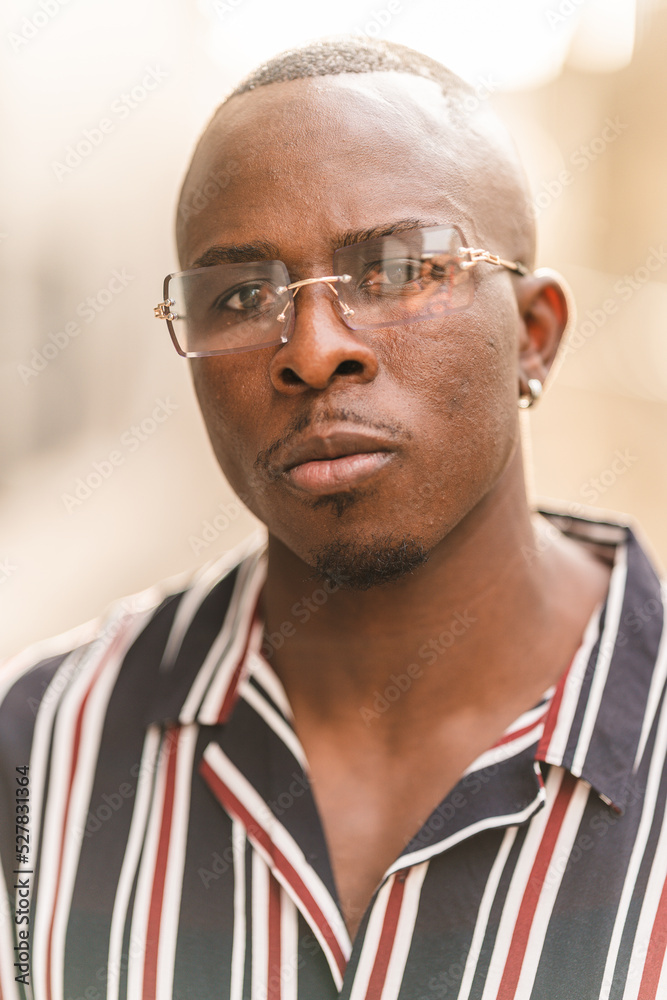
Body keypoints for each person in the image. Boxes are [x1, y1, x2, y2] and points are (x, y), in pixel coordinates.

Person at [1, 36, 666, 1000]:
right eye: (242, 294)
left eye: (396, 270)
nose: (312, 351)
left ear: (534, 336)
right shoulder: (44, 750)